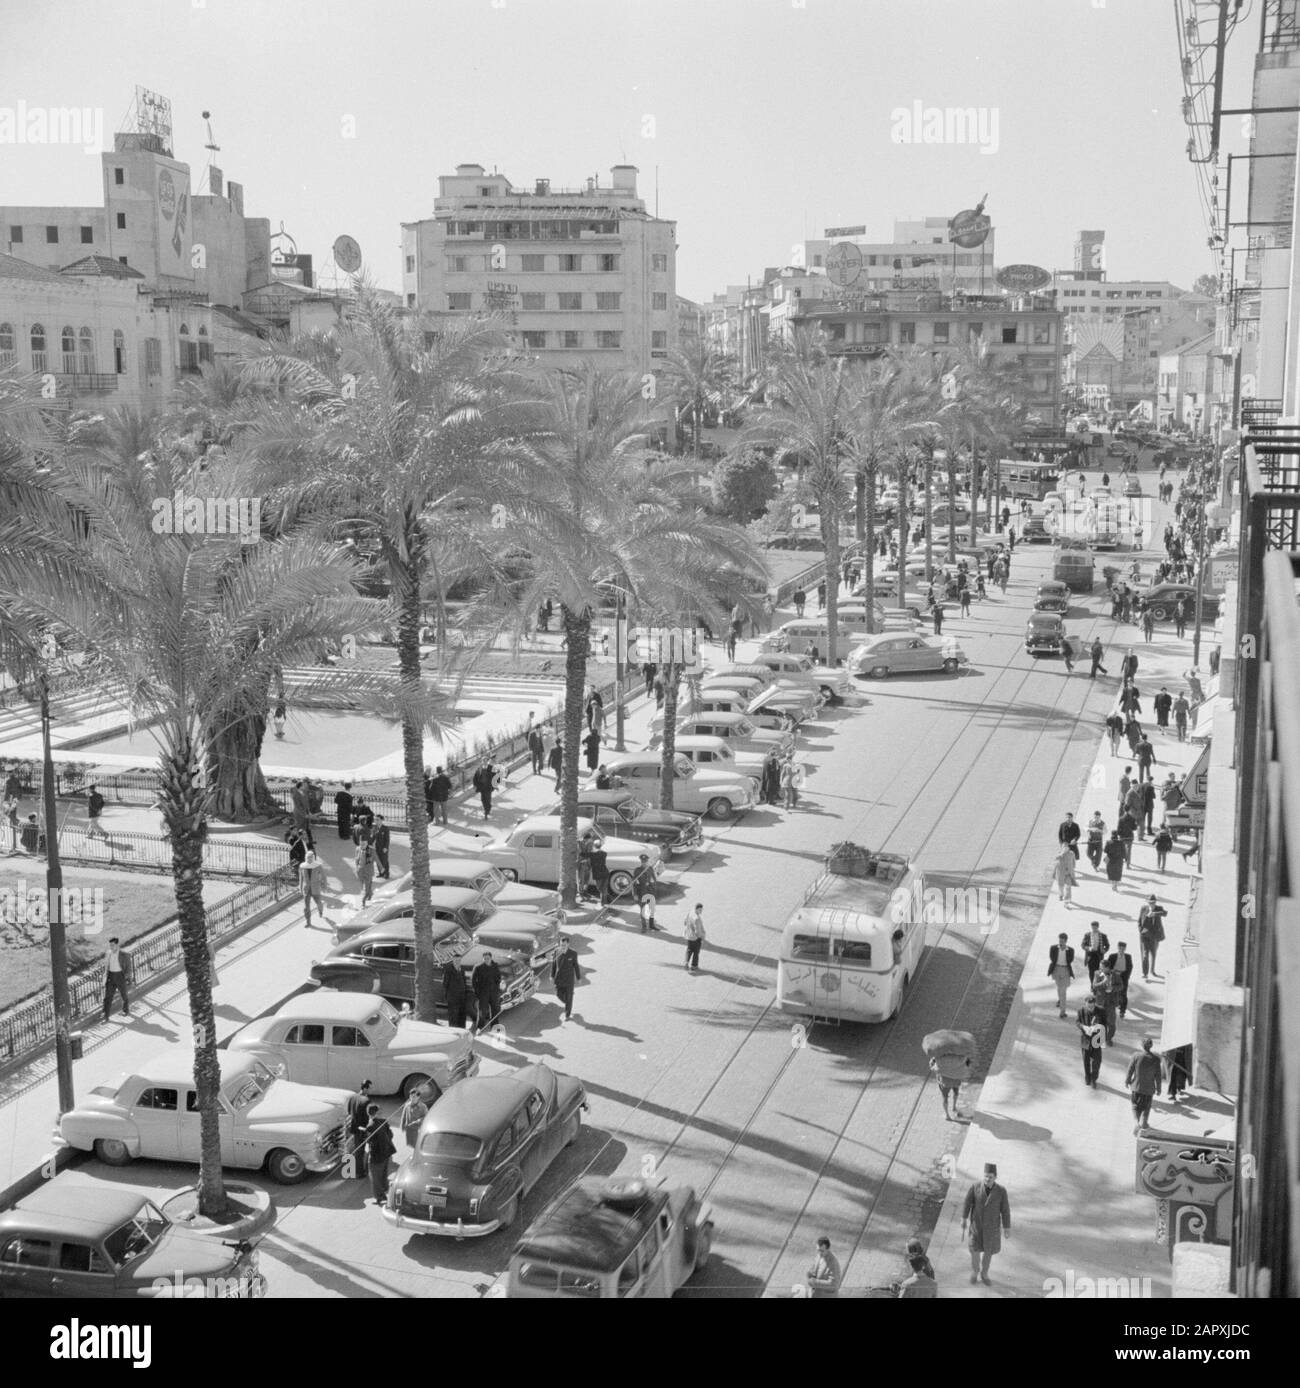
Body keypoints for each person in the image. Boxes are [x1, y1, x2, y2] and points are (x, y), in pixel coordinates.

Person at [961, 1163, 1011, 1286]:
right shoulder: (975, 1187)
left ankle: (984, 1273)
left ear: (995, 1177)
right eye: (986, 1176)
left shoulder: (1001, 1191)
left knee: (988, 1253)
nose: (987, 1179)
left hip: (992, 1229)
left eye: (990, 1177)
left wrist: (1007, 1227)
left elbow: (1005, 1210)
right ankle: (975, 1271)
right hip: (976, 1227)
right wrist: (963, 1218)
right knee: (975, 1251)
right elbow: (967, 1203)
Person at [1125, 1037, 1162, 1134]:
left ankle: (1137, 1123)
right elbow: (1158, 1076)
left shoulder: (1136, 1056)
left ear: (1142, 1045)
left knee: (1135, 1106)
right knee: (1146, 1108)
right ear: (1151, 1046)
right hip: (1149, 1089)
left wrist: (1127, 1080)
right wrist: (1159, 1088)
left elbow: (1130, 1069)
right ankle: (1144, 1123)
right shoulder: (1156, 1059)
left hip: (1136, 1087)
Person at [365, 1104, 396, 1205]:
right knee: (383, 1174)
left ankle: (380, 1197)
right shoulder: (383, 1121)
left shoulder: (370, 1126)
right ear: (377, 1112)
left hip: (376, 1156)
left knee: (375, 1178)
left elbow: (370, 1141)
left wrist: (365, 1132)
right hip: (386, 1153)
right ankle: (385, 1191)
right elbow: (391, 1134)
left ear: (368, 1113)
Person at [1076, 994, 1105, 1087]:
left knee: (1097, 1062)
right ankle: (1087, 1077)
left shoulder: (1101, 1010)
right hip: (1085, 1040)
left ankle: (1094, 1079)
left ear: (1095, 1004)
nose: (1090, 1008)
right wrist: (1084, 1027)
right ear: (1085, 1004)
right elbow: (1077, 1022)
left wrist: (1097, 1027)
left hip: (1097, 1040)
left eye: (1092, 1006)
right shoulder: (1080, 1011)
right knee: (1086, 1061)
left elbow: (1105, 1024)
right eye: (1089, 1006)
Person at [101, 936, 132, 1021]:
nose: (111, 947)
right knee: (108, 996)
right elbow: (106, 966)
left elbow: (129, 968)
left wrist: (126, 977)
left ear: (117, 945)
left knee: (123, 994)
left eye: (113, 945)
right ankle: (105, 1015)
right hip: (110, 976)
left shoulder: (124, 954)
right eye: (110, 945)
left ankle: (125, 1010)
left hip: (120, 976)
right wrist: (105, 977)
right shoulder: (108, 953)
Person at [346, 1080, 373, 1178]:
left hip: (354, 1128)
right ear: (365, 1088)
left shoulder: (353, 1097)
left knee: (358, 1150)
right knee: (361, 1151)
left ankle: (355, 1171)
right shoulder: (366, 1100)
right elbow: (369, 1116)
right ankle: (360, 1172)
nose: (370, 1090)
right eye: (369, 1088)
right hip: (363, 1129)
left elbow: (349, 1111)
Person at [471, 952, 503, 1033]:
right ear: (483, 959)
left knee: (495, 1010)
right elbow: (473, 981)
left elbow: (498, 977)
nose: (486, 960)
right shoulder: (478, 967)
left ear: (491, 958)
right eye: (484, 959)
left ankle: (495, 1026)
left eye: (488, 958)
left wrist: (496, 987)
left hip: (494, 993)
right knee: (483, 1011)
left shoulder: (495, 965)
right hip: (483, 993)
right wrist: (477, 992)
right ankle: (480, 1027)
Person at [552, 936, 582, 1022]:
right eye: (561, 945)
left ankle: (567, 1014)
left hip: (569, 980)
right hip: (559, 979)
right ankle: (568, 1002)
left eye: (564, 945)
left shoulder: (573, 953)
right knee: (558, 994)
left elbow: (576, 966)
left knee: (569, 997)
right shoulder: (556, 952)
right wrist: (552, 975)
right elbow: (554, 965)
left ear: (568, 944)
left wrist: (578, 977)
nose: (562, 946)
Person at [1138, 896, 1168, 979]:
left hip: (1154, 937)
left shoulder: (1159, 908)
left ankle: (1152, 970)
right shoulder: (1144, 908)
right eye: (1150, 902)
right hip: (1144, 936)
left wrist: (1154, 913)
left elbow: (1165, 913)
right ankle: (1145, 973)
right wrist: (1140, 929)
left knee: (1153, 954)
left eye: (1153, 902)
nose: (1151, 904)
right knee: (1145, 955)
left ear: (1155, 902)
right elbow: (1139, 920)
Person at [1048, 932, 1075, 1017]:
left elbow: (1070, 960)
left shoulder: (1071, 950)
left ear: (1066, 941)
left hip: (1065, 970)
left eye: (1062, 941)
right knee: (1060, 989)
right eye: (1060, 940)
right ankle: (1061, 1004)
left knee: (1062, 990)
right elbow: (1052, 958)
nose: (1060, 942)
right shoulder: (1053, 948)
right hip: (1056, 969)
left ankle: (1062, 1010)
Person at [1106, 943, 1135, 1019]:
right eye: (1120, 948)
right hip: (1114, 976)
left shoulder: (1128, 957)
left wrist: (1127, 976)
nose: (1121, 950)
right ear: (1118, 948)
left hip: (1123, 976)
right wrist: (1111, 973)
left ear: (1125, 949)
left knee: (1123, 993)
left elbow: (1130, 967)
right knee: (1112, 992)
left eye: (1123, 948)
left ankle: (1122, 1011)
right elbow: (1107, 966)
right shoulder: (1112, 956)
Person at [299, 849, 326, 927]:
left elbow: (324, 876)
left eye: (311, 858)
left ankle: (320, 911)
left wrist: (324, 886)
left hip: (316, 889)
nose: (309, 859)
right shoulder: (302, 866)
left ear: (313, 858)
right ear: (305, 858)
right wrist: (300, 888)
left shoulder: (318, 866)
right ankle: (308, 922)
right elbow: (301, 878)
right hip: (306, 889)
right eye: (308, 858)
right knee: (306, 907)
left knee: (319, 903)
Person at [631, 854, 659, 930]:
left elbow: (654, 879)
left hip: (650, 892)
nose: (645, 863)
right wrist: (635, 894)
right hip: (642, 893)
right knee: (643, 910)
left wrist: (653, 887)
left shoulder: (650, 868)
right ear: (641, 862)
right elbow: (634, 883)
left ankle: (651, 925)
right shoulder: (637, 870)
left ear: (648, 861)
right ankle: (644, 927)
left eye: (646, 861)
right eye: (643, 862)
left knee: (652, 909)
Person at [398, 1087, 429, 1152]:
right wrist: (402, 1126)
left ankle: (416, 1154)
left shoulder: (423, 1107)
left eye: (414, 1097)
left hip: (418, 1129)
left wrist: (418, 1121)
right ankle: (414, 1152)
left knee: (418, 1144)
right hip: (409, 1128)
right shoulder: (407, 1105)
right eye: (411, 1096)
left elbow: (426, 1117)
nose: (412, 1098)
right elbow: (404, 1116)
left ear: (418, 1097)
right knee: (411, 1143)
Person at [442, 958, 469, 1028]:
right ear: (453, 961)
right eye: (456, 961)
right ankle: (453, 1031)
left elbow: (464, 982)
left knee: (462, 1016)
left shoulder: (462, 970)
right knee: (453, 1016)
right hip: (452, 997)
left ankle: (462, 1030)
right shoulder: (448, 970)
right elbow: (445, 984)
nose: (457, 962)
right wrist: (447, 995)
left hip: (462, 997)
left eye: (459, 960)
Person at [684, 902, 706, 971]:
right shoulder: (697, 919)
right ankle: (694, 966)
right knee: (696, 952)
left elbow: (684, 922)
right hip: (696, 938)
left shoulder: (690, 912)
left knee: (689, 950)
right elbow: (697, 931)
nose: (701, 911)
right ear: (697, 909)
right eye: (700, 910)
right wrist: (702, 938)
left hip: (688, 936)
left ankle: (686, 962)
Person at [355, 838, 376, 907]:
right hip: (360, 871)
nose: (362, 845)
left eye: (363, 844)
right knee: (367, 885)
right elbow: (356, 859)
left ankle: (363, 901)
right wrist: (357, 867)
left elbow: (377, 859)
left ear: (367, 843)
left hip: (368, 871)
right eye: (361, 843)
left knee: (366, 887)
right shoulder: (358, 849)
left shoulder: (371, 850)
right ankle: (370, 894)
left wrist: (381, 868)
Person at [372, 815, 391, 879]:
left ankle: (386, 874)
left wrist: (386, 847)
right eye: (375, 819)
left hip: (384, 848)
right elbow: (373, 838)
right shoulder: (375, 828)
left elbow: (387, 839)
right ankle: (381, 873)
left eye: (377, 819)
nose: (376, 821)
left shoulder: (385, 828)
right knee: (378, 861)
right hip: (377, 847)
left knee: (384, 861)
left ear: (381, 820)